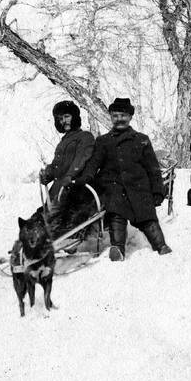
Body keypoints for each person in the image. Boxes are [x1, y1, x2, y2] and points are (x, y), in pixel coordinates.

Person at [70, 96, 172, 261]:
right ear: (110, 117)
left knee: (147, 215)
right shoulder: (103, 141)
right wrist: (85, 178)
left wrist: (158, 191)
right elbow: (93, 164)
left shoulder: (141, 140)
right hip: (114, 187)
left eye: (123, 115)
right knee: (116, 213)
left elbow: (153, 169)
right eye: (115, 116)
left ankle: (161, 246)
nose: (119, 119)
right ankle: (117, 248)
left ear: (130, 117)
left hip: (139, 187)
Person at [38, 100, 95, 236]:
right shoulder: (63, 142)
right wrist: (47, 173)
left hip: (74, 188)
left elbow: (81, 159)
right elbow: (57, 165)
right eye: (60, 118)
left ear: (74, 116)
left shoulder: (85, 136)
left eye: (67, 116)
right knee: (41, 219)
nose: (64, 121)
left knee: (56, 222)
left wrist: (70, 176)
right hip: (57, 190)